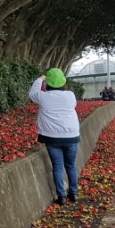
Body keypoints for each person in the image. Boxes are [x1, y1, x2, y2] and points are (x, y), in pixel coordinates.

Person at [29, 68, 81, 206]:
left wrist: (40, 79)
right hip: (71, 136)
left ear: (47, 85)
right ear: (63, 83)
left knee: (57, 167)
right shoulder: (70, 95)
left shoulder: (43, 97)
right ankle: (74, 194)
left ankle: (62, 197)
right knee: (71, 166)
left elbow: (32, 93)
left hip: (52, 138)